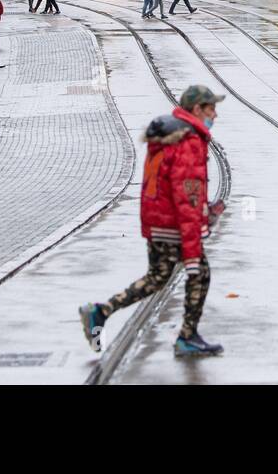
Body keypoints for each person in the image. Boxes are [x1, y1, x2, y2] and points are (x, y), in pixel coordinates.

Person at [79, 85, 226, 358]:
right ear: (197, 110)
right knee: (199, 273)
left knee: (156, 277)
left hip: (158, 220)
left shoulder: (169, 134)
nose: (215, 115)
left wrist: (205, 212)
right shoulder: (189, 140)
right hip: (172, 225)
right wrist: (192, 249)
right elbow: (187, 196)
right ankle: (187, 337)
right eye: (211, 108)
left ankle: (100, 312)